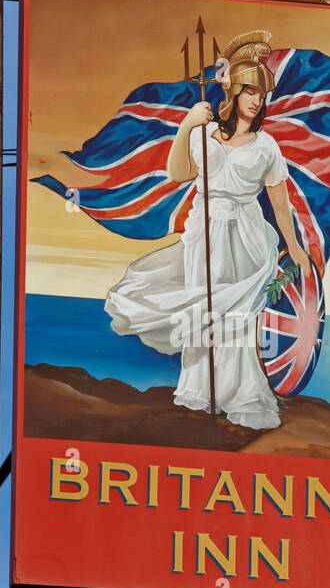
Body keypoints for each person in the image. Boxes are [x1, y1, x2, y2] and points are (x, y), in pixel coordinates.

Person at [104, 30, 311, 430]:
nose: (256, 100)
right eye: (249, 90)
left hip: (248, 236)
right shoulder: (203, 134)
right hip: (204, 233)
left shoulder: (267, 146)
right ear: (234, 92)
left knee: (237, 319)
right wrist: (185, 125)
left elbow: (281, 207)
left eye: (261, 93)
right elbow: (178, 173)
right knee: (205, 313)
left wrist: (295, 248)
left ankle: (242, 394)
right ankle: (201, 392)